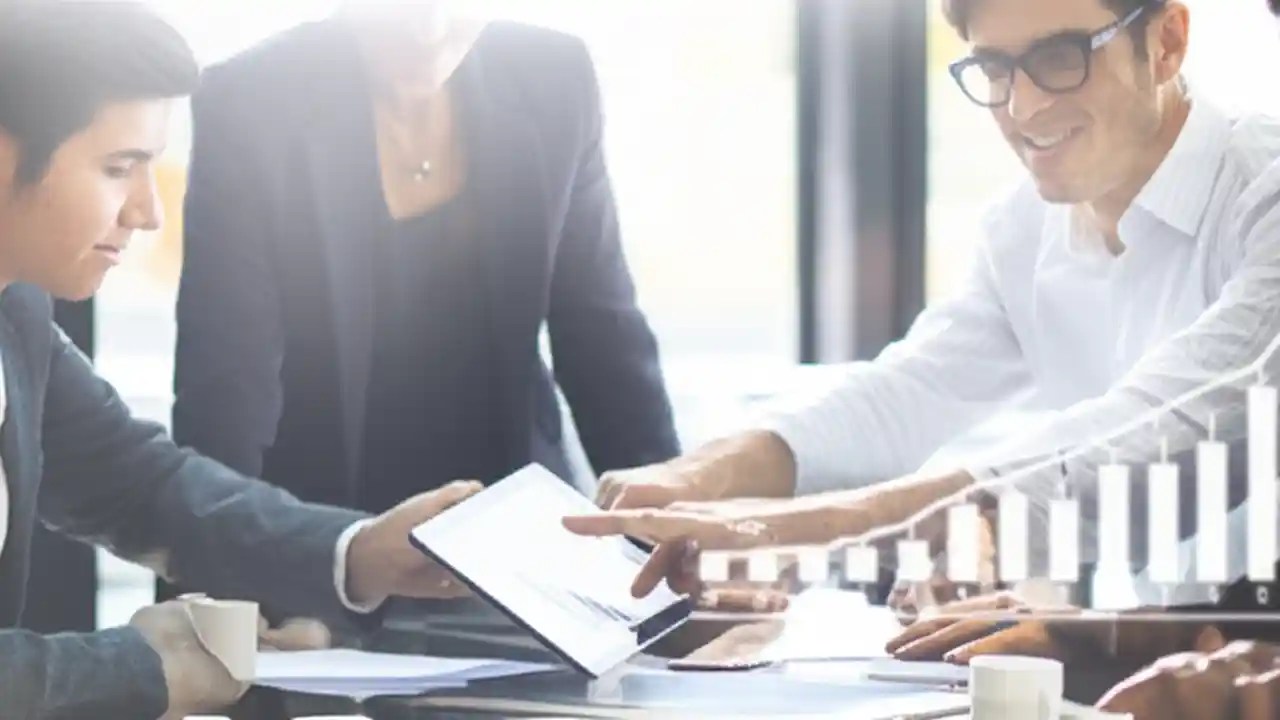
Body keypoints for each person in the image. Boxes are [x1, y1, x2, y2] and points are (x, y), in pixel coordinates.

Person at [567, 0, 1280, 591]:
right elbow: (909, 390)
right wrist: (701, 473)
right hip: (1140, 657)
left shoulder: (1263, 196)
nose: (1022, 107)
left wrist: (785, 530)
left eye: (1061, 58)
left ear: (1166, 42)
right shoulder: (1020, 230)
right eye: (995, 68)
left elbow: (1160, 429)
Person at [0, 4, 489, 718]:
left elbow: (143, 488)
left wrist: (361, 551)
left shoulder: (18, 315)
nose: (148, 212)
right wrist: (148, 669)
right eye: (118, 169)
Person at [172, 0, 680, 521]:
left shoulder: (554, 76)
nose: (428, 28)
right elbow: (225, 386)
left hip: (514, 518)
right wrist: (205, 591)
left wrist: (679, 535)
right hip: (318, 533)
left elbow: (602, 336)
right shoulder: (251, 99)